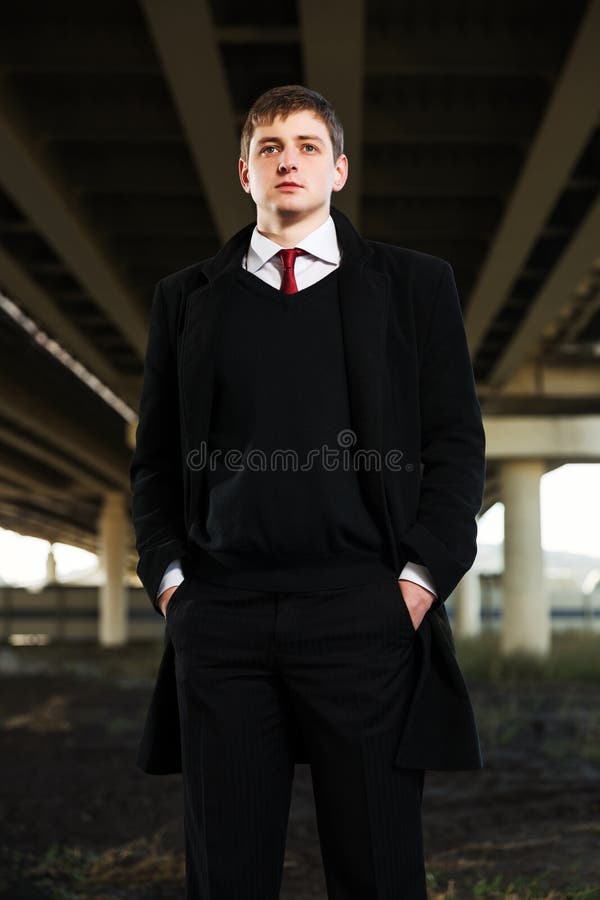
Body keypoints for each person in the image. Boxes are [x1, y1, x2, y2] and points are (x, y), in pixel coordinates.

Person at [130, 84, 486, 900]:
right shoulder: (185, 299)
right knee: (228, 874)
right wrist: (171, 584)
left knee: (378, 872)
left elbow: (456, 444)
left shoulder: (414, 286)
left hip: (365, 614)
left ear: (339, 169)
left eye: (307, 145)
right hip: (221, 616)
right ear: (244, 174)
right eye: (269, 148)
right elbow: (154, 460)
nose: (287, 159)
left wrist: (419, 582)